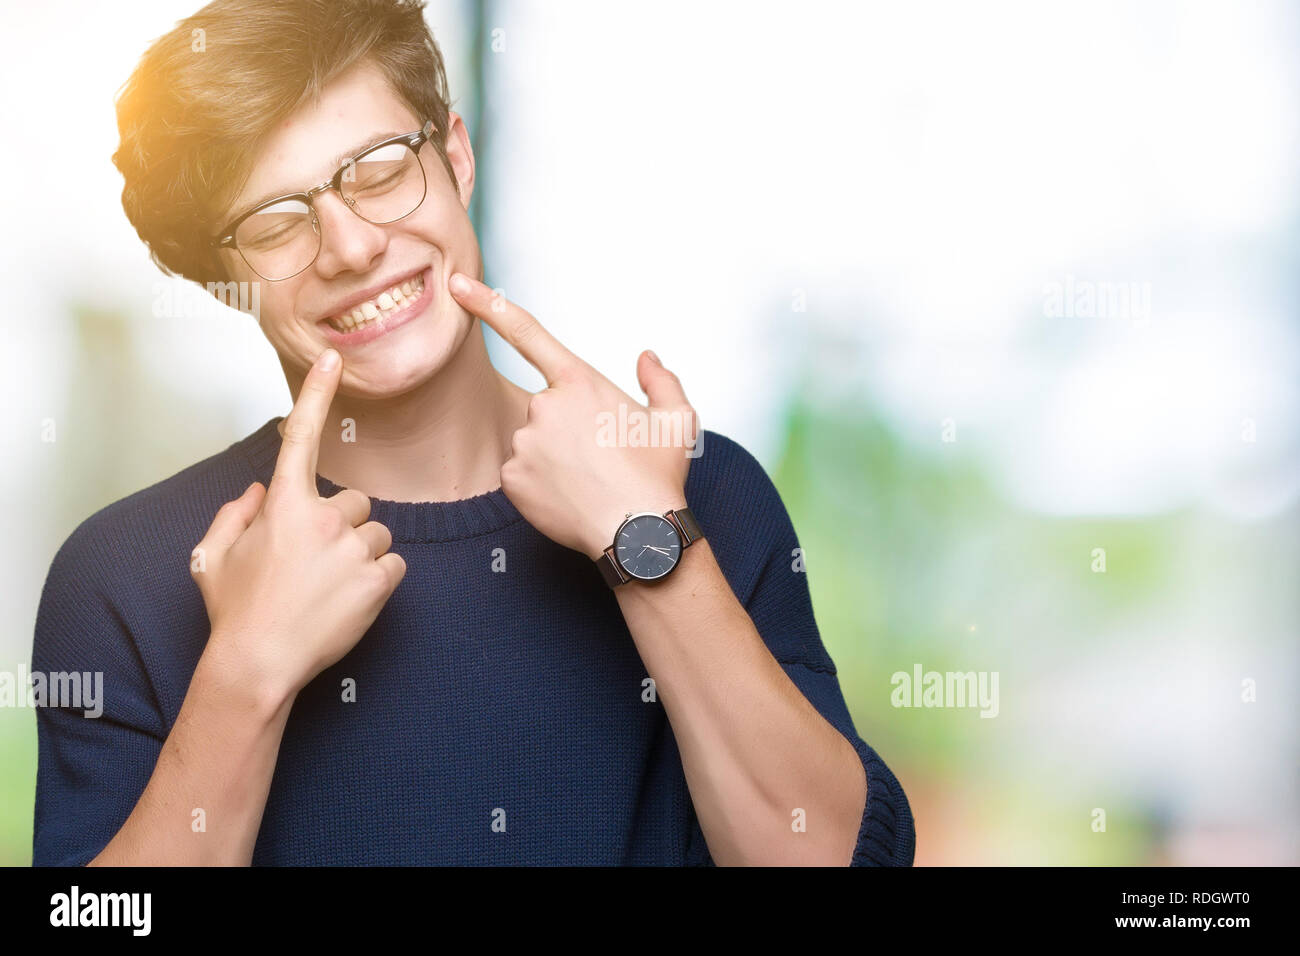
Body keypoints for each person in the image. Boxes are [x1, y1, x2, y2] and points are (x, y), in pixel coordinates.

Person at [32, 0, 915, 866]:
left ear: (455, 156)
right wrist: (244, 677)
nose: (350, 246)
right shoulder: (125, 574)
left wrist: (644, 537)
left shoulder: (698, 489)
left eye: (378, 169)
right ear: (226, 280)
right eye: (276, 223)